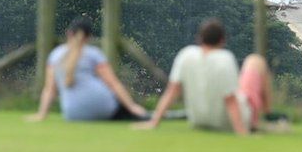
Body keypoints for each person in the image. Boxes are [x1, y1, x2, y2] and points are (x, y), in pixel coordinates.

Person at [136, 18, 271, 134]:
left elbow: (172, 91)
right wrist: (242, 132)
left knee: (241, 89)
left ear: (199, 38)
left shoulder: (186, 55)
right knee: (255, 61)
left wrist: (154, 122)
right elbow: (230, 100)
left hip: (199, 121)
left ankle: (261, 120)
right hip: (228, 122)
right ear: (222, 40)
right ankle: (265, 118)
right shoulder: (225, 58)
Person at [28, 18, 148, 122]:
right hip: (105, 108)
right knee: (136, 112)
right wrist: (132, 106)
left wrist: (41, 114)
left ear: (68, 33)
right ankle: (147, 115)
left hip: (73, 114)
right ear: (89, 37)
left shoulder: (55, 55)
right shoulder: (93, 54)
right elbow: (113, 83)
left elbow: (50, 89)